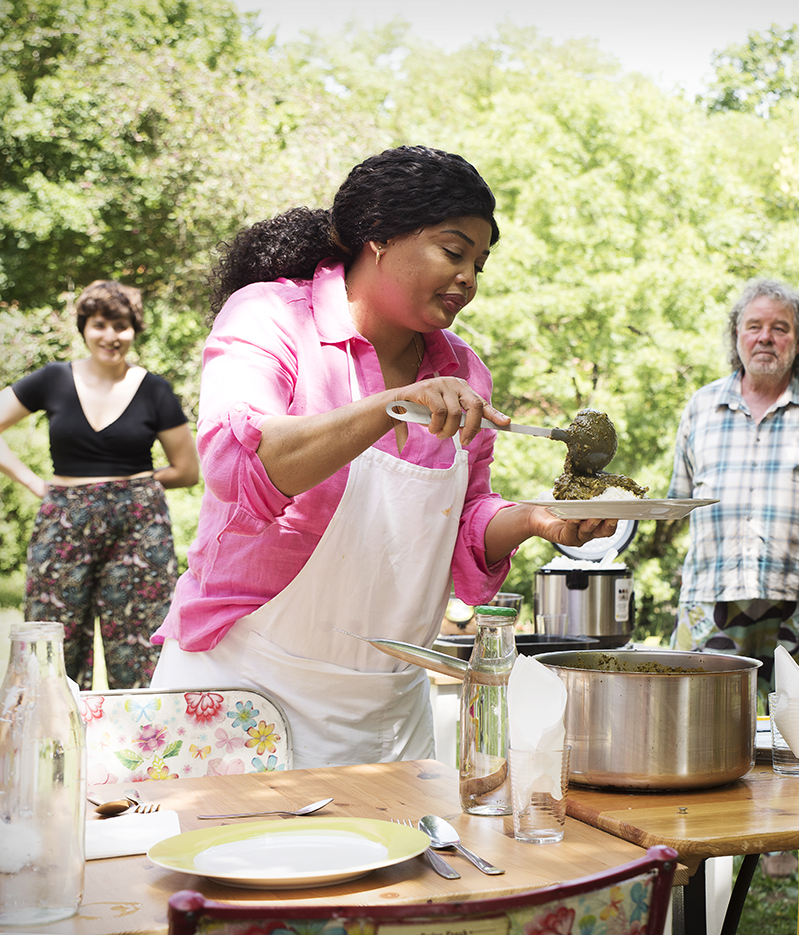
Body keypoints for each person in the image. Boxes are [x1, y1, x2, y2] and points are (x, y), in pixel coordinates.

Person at [148, 146, 616, 769]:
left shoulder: (464, 370)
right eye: (454, 252)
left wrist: (536, 521)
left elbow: (464, 519)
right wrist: (389, 407)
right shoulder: (270, 317)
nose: (469, 280)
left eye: (479, 263)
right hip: (242, 691)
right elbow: (238, 466)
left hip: (386, 718)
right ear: (378, 237)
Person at [0, 280, 200, 689]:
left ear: (134, 329)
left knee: (140, 646)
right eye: (100, 324)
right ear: (84, 327)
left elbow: (186, 470)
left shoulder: (154, 390)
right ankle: (57, 743)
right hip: (64, 518)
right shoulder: (53, 379)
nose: (111, 336)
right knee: (51, 642)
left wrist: (129, 486)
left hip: (139, 524)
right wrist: (32, 482)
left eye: (121, 325)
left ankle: (141, 747)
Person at [668, 278, 799, 698]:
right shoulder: (701, 406)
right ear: (736, 334)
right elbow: (678, 503)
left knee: (792, 734)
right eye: (754, 326)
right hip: (710, 596)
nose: (765, 338)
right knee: (697, 720)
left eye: (780, 327)